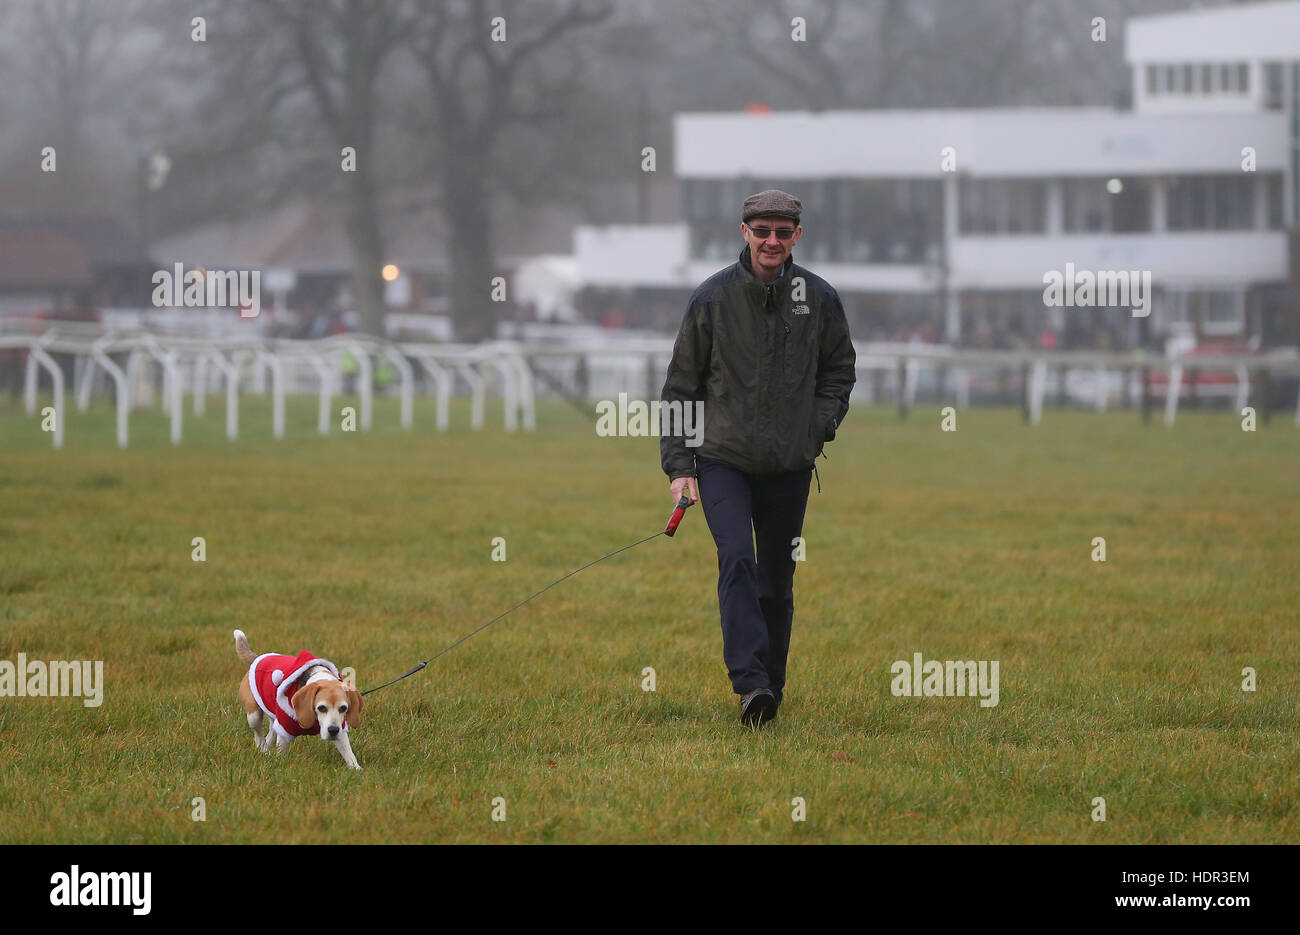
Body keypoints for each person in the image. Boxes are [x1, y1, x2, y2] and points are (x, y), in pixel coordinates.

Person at [659, 189, 857, 728]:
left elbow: (839, 373)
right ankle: (749, 685)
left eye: (783, 232)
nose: (772, 241)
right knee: (737, 562)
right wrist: (680, 468)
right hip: (722, 460)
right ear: (744, 232)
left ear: (798, 236)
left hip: (790, 466)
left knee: (777, 578)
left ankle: (771, 688)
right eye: (762, 231)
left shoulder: (820, 300)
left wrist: (815, 430)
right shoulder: (711, 300)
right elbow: (681, 388)